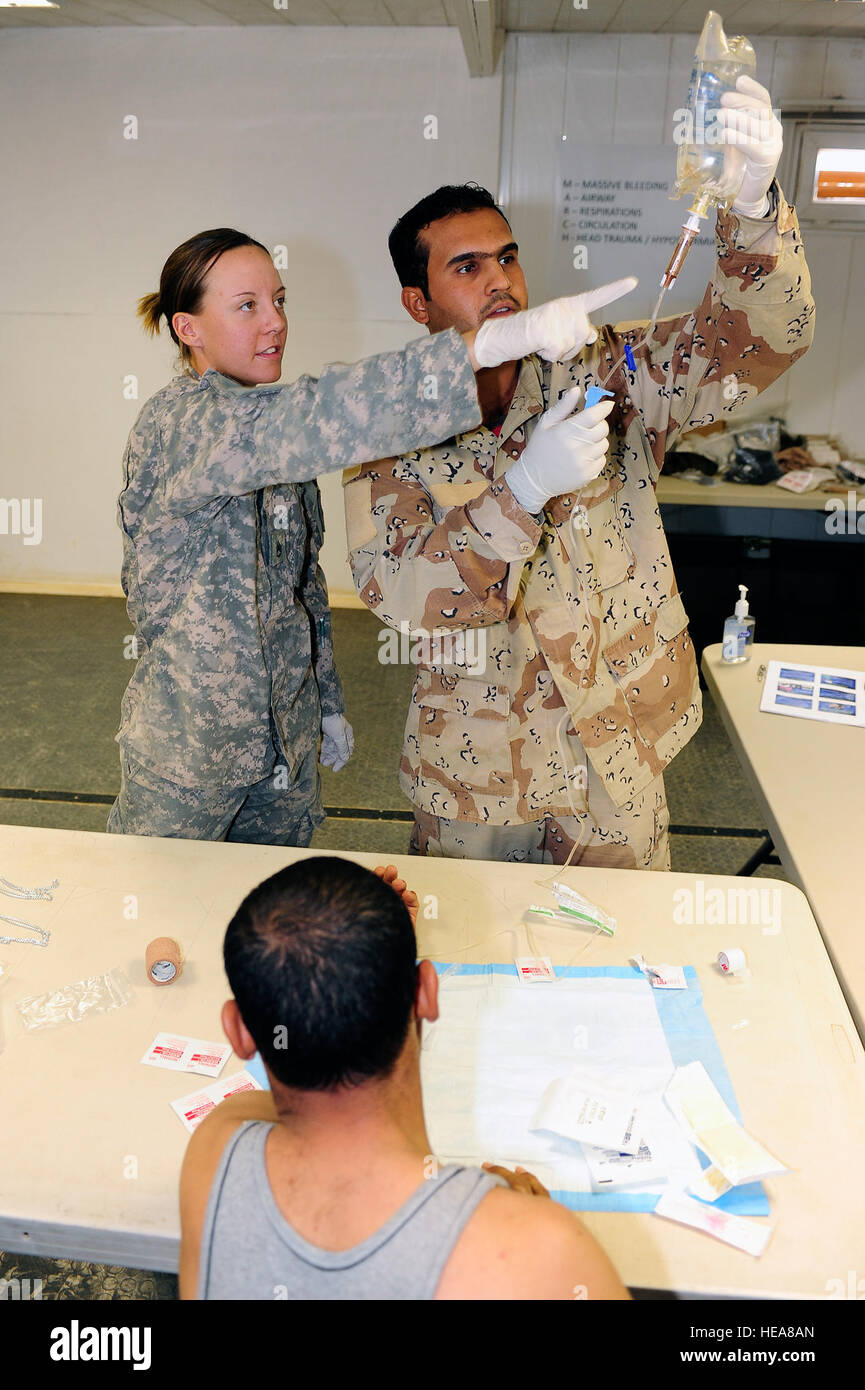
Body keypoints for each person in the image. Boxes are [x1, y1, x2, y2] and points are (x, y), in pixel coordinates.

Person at [343, 77, 815, 869]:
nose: (500, 280)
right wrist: (520, 491)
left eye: (507, 257)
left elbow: (756, 341)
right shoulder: (384, 432)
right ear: (416, 303)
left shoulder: (602, 375)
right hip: (478, 778)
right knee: (472, 975)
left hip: (617, 757)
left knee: (622, 973)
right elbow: (408, 598)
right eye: (465, 267)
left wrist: (755, 204)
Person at [106, 227, 609, 845]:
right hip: (191, 760)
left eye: (280, 300)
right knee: (155, 911)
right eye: (248, 306)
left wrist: (325, 701)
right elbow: (326, 412)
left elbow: (302, 589)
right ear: (189, 328)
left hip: (282, 750)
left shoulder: (268, 427)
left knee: (273, 922)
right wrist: (492, 343)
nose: (275, 323)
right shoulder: (184, 425)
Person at [178, 858, 629, 1300]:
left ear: (238, 1032)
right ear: (428, 992)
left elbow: (298, 1112)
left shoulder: (212, 1154)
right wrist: (520, 1219)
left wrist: (356, 973)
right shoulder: (545, 1254)